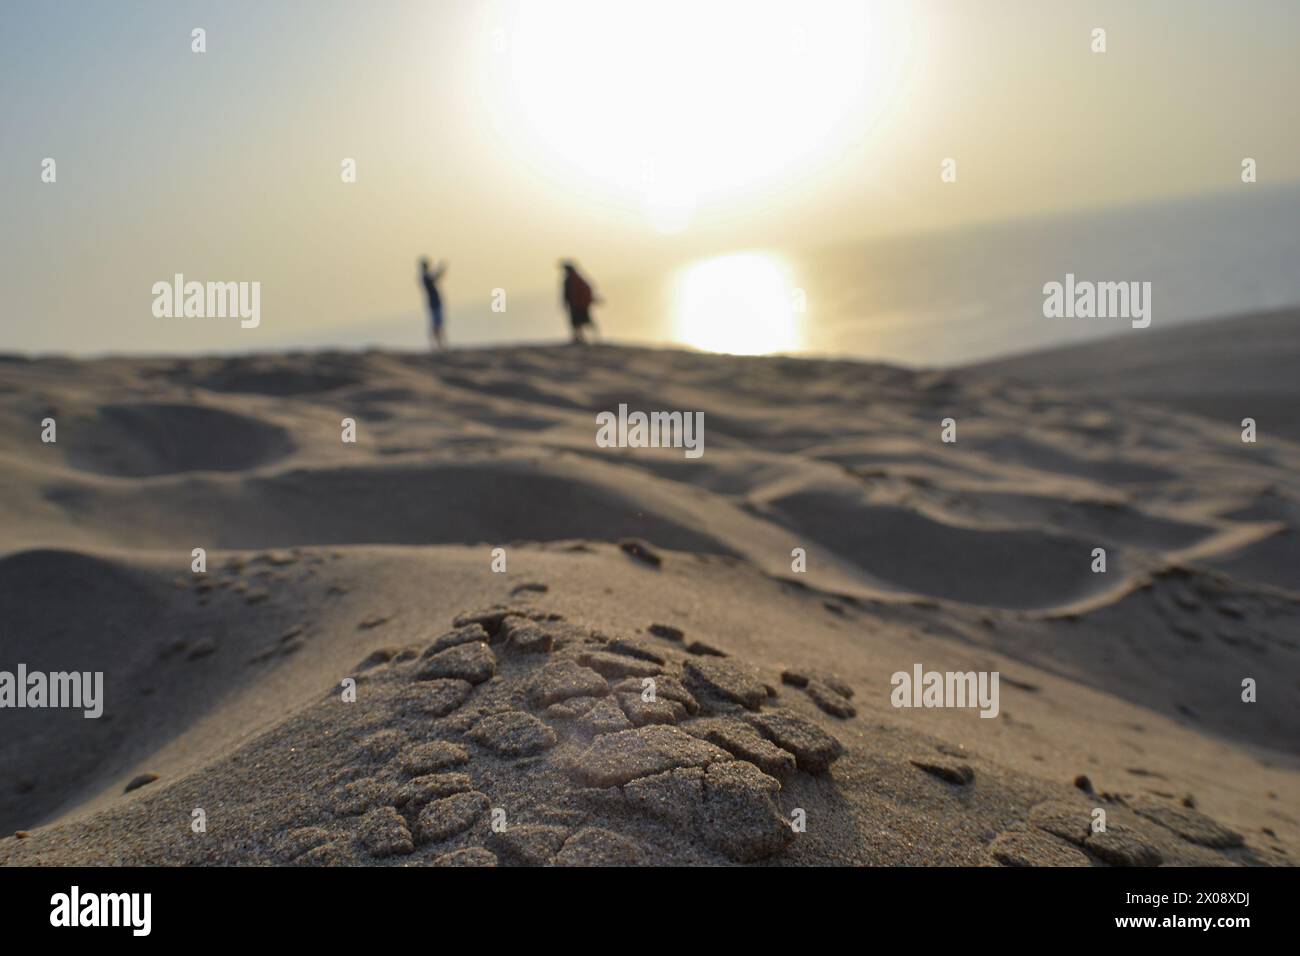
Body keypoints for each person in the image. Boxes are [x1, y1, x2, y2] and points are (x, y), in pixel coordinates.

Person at [560, 260, 600, 344]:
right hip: (582, 304)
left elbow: (567, 294)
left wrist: (565, 303)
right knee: (584, 321)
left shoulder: (570, 280)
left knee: (577, 322)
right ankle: (589, 337)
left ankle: (580, 338)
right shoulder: (578, 278)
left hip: (576, 305)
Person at [419, 258, 447, 349]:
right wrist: (440, 269)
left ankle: (439, 344)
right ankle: (438, 345)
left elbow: (435, 277)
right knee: (437, 324)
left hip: (434, 302)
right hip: (434, 303)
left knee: (438, 324)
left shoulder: (425, 277)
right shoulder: (425, 277)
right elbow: (435, 278)